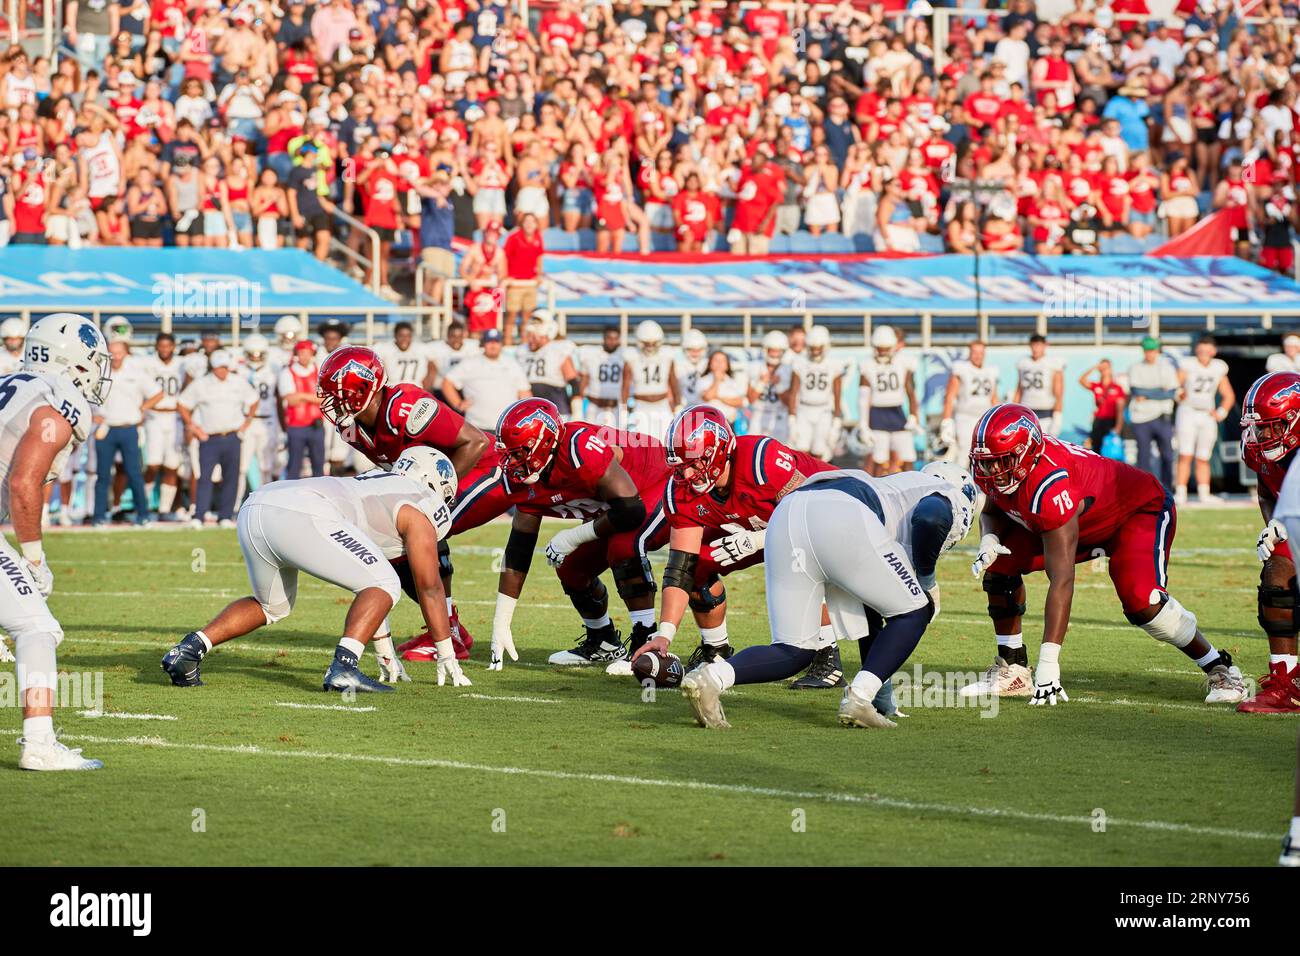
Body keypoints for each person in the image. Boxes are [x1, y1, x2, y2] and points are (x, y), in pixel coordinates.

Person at [962, 403, 1245, 704]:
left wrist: (1049, 663)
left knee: (1144, 604)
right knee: (1001, 562)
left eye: (1002, 460)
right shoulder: (998, 469)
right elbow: (994, 507)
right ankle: (1013, 671)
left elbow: (1062, 580)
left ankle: (1221, 668)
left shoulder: (1051, 483)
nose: (993, 470)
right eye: (987, 461)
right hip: (1083, 517)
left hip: (1135, 511)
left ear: (1027, 452)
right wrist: (989, 538)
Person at [668, 461, 975, 730]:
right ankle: (858, 698)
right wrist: (928, 582)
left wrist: (881, 700)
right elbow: (931, 518)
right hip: (841, 513)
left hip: (788, 514)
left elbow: (873, 620)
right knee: (916, 610)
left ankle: (711, 678)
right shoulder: (946, 491)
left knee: (794, 651)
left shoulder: (897, 488)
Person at [161, 448, 469, 693]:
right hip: (302, 511)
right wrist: (446, 652)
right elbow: (429, 585)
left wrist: (387, 654)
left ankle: (188, 651)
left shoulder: (379, 482)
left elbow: (371, 581)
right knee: (385, 584)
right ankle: (344, 668)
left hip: (258, 505)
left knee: (271, 606)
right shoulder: (421, 501)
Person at [635, 404, 847, 685]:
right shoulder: (682, 491)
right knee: (696, 563)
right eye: (681, 467)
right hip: (758, 529)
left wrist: (759, 539)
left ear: (719, 450)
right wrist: (664, 634)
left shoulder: (762, 460)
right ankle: (715, 650)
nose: (687, 476)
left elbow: (812, 519)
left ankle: (827, 655)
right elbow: (680, 568)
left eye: (695, 464)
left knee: (799, 560)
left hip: (835, 514)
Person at [0, 313, 110, 770]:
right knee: (37, 628)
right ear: (76, 362)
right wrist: (35, 558)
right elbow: (25, 483)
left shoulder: (11, 381)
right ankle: (40, 744)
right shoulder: (57, 398)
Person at [486, 397, 671, 670]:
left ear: (545, 442)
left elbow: (630, 510)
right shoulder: (524, 477)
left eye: (519, 451)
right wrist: (501, 621)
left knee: (622, 545)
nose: (512, 461)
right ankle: (603, 641)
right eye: (509, 454)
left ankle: (645, 642)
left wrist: (572, 536)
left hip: (655, 483)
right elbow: (518, 549)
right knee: (571, 567)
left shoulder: (578, 447)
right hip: (617, 505)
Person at [1236, 372, 1300, 714]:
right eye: (1257, 427)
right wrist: (1276, 526)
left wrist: (1285, 522)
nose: (1260, 435)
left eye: (1269, 426)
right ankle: (1286, 681)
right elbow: (1266, 489)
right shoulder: (1261, 450)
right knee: (1276, 577)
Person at [178, 349, 259, 527]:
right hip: (209, 437)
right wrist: (194, 427)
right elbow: (183, 404)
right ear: (212, 368)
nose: (222, 371)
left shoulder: (238, 382)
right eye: (218, 367)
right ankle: (199, 516)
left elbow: (254, 400)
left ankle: (225, 516)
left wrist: (247, 423)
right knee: (204, 477)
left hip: (232, 436)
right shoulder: (201, 384)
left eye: (224, 367)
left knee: (231, 477)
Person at [92, 338, 161, 526]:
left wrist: (142, 409)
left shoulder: (136, 374)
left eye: (119, 352)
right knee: (103, 475)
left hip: (128, 429)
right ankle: (98, 517)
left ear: (126, 353)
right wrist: (92, 415)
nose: (115, 356)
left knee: (134, 473)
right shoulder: (97, 373)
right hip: (105, 430)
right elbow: (85, 396)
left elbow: (158, 393)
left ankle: (143, 515)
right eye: (112, 352)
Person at [1174, 334, 1234, 505]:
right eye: (1200, 350)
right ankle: (1181, 492)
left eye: (1207, 350)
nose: (1203, 354)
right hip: (1188, 411)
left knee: (1203, 456)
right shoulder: (1187, 365)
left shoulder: (1218, 367)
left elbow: (1228, 394)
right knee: (1185, 453)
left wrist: (1221, 411)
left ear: (1213, 351)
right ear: (1196, 350)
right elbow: (1175, 385)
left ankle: (1204, 493)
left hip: (1206, 413)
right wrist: (1178, 393)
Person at [854, 325, 918, 476]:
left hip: (897, 412)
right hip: (877, 414)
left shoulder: (903, 362)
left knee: (908, 457)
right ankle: (874, 493)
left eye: (885, 348)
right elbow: (863, 397)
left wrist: (914, 415)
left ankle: (914, 490)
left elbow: (910, 392)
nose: (882, 352)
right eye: (880, 348)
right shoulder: (867, 364)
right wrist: (863, 424)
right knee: (878, 458)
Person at [443, 328, 532, 433]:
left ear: (501, 344)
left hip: (507, 426)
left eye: (496, 342)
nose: (493, 345)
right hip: (477, 425)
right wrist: (458, 404)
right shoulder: (471, 363)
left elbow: (524, 392)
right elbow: (447, 382)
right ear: (483, 344)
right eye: (489, 342)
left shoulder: (512, 363)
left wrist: (527, 418)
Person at [141, 332, 186, 519]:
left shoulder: (183, 364)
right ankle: (143, 506)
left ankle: (164, 509)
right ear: (156, 346)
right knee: (152, 464)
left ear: (174, 347)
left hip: (175, 417)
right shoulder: (147, 364)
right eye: (162, 345)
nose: (165, 349)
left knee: (172, 465)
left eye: (168, 346)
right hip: (155, 416)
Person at [1126, 336, 1178, 491]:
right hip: (1141, 417)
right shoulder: (1135, 368)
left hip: (1162, 416)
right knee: (1143, 456)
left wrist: (1147, 395)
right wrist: (1160, 391)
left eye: (1153, 350)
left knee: (1167, 455)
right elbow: (1136, 391)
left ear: (1157, 351)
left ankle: (1168, 490)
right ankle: (1144, 491)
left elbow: (1171, 393)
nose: (1150, 354)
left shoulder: (1166, 367)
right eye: (1147, 350)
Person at [789, 326, 845, 461]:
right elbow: (794, 392)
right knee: (802, 451)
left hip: (823, 410)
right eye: (812, 348)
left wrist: (837, 420)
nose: (815, 352)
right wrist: (791, 418)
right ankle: (803, 481)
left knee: (819, 450)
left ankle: (818, 480)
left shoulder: (834, 364)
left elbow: (837, 395)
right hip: (804, 409)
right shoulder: (799, 362)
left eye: (818, 348)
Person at [941, 340, 1000, 465]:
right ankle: (959, 483)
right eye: (974, 352)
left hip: (984, 419)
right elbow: (950, 395)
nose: (977, 356)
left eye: (980, 352)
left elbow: (994, 397)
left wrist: (998, 419)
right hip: (965, 417)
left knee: (987, 453)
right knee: (964, 452)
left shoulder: (991, 371)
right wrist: (946, 420)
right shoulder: (962, 369)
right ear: (969, 353)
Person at [623, 320, 678, 441]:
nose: (650, 346)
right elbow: (625, 386)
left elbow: (673, 382)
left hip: (662, 405)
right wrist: (623, 410)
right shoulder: (631, 356)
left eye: (653, 343)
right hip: (640, 406)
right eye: (646, 343)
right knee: (642, 445)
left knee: (666, 442)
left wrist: (678, 406)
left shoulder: (667, 354)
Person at [238, 333, 280, 492]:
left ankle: (265, 500)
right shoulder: (239, 370)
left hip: (267, 421)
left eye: (259, 354)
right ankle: (235, 505)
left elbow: (278, 397)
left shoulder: (273, 370)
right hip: (246, 421)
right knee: (241, 467)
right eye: (252, 355)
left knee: (266, 466)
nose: (255, 358)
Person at [279, 340, 325, 481]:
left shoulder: (320, 370)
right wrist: (312, 397)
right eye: (301, 353)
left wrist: (301, 395)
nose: (304, 356)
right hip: (296, 426)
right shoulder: (287, 372)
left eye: (307, 353)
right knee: (294, 465)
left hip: (316, 425)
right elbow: (290, 400)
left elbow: (324, 399)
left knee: (319, 465)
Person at [517, 310, 578, 417]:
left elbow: (573, 381)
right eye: (529, 335)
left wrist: (576, 409)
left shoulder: (558, 349)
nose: (531, 339)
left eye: (535, 336)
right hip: (530, 406)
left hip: (555, 401)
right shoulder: (522, 351)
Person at [748, 330, 796, 444]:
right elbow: (750, 399)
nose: (774, 354)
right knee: (753, 451)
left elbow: (790, 402)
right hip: (758, 415)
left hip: (779, 416)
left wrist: (779, 385)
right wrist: (761, 383)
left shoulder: (789, 369)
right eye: (772, 350)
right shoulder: (755, 367)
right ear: (765, 350)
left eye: (778, 351)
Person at [1012, 333, 1064, 435]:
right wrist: (1014, 411)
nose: (1036, 349)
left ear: (1045, 346)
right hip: (1026, 413)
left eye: (1039, 345)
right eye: (1034, 345)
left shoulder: (1053, 363)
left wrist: (1057, 417)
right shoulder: (1023, 363)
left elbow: (1058, 394)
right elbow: (1019, 389)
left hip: (1045, 413)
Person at [1078, 359, 1126, 452]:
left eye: (1106, 367)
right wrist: (1095, 367)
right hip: (1099, 421)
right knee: (1096, 448)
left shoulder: (1117, 388)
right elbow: (1081, 380)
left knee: (1111, 449)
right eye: (1102, 367)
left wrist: (1118, 427)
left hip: (1112, 421)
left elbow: (1120, 410)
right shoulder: (1097, 386)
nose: (1104, 370)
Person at [697, 350, 749, 425]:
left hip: (729, 424)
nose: (719, 363)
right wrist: (716, 380)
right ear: (710, 364)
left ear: (727, 365)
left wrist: (718, 397)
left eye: (722, 361)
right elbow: (708, 397)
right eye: (716, 360)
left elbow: (741, 402)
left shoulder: (733, 382)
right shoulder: (702, 380)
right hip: (707, 423)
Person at [375, 321, 430, 388]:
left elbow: (432, 364)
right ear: (395, 335)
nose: (405, 339)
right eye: (401, 335)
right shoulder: (385, 348)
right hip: (393, 390)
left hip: (417, 390)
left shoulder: (421, 348)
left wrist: (428, 383)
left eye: (408, 336)